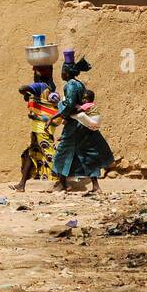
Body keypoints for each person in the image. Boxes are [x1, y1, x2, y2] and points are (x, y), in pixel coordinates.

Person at [48, 51, 114, 193]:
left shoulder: (70, 86)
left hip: (74, 126)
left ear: (66, 72)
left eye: (62, 71)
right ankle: (94, 186)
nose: (61, 74)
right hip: (82, 125)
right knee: (86, 154)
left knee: (62, 153)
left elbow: (70, 104)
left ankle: (63, 184)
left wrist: (59, 105)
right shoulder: (79, 84)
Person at [14, 64, 59, 191]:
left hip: (41, 129)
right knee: (30, 155)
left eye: (36, 71)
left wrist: (27, 89)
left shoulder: (40, 86)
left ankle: (65, 183)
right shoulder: (50, 86)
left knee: (50, 154)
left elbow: (21, 88)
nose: (34, 73)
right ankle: (22, 184)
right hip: (37, 128)